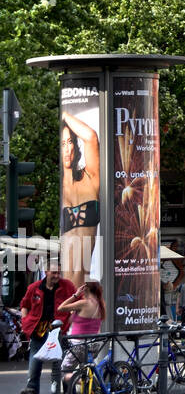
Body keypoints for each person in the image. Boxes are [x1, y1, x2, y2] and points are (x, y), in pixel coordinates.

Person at [17, 264, 75, 394]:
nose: (57, 275)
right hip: (38, 334)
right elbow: (24, 305)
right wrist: (25, 322)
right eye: (54, 272)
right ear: (46, 271)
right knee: (33, 373)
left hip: (57, 334)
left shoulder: (67, 286)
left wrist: (68, 321)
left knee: (63, 371)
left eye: (59, 272)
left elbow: (76, 302)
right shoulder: (34, 287)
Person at [59, 113, 102, 289]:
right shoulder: (59, 188)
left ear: (76, 147)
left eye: (70, 142)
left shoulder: (90, 177)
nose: (67, 149)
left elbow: (91, 137)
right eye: (62, 144)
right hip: (66, 285)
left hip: (87, 284)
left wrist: (64, 115)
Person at [57, 279, 105, 386]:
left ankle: (85, 383)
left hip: (79, 345)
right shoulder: (100, 305)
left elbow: (60, 308)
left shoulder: (83, 303)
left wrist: (75, 295)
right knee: (84, 369)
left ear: (85, 290)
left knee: (62, 372)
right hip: (94, 345)